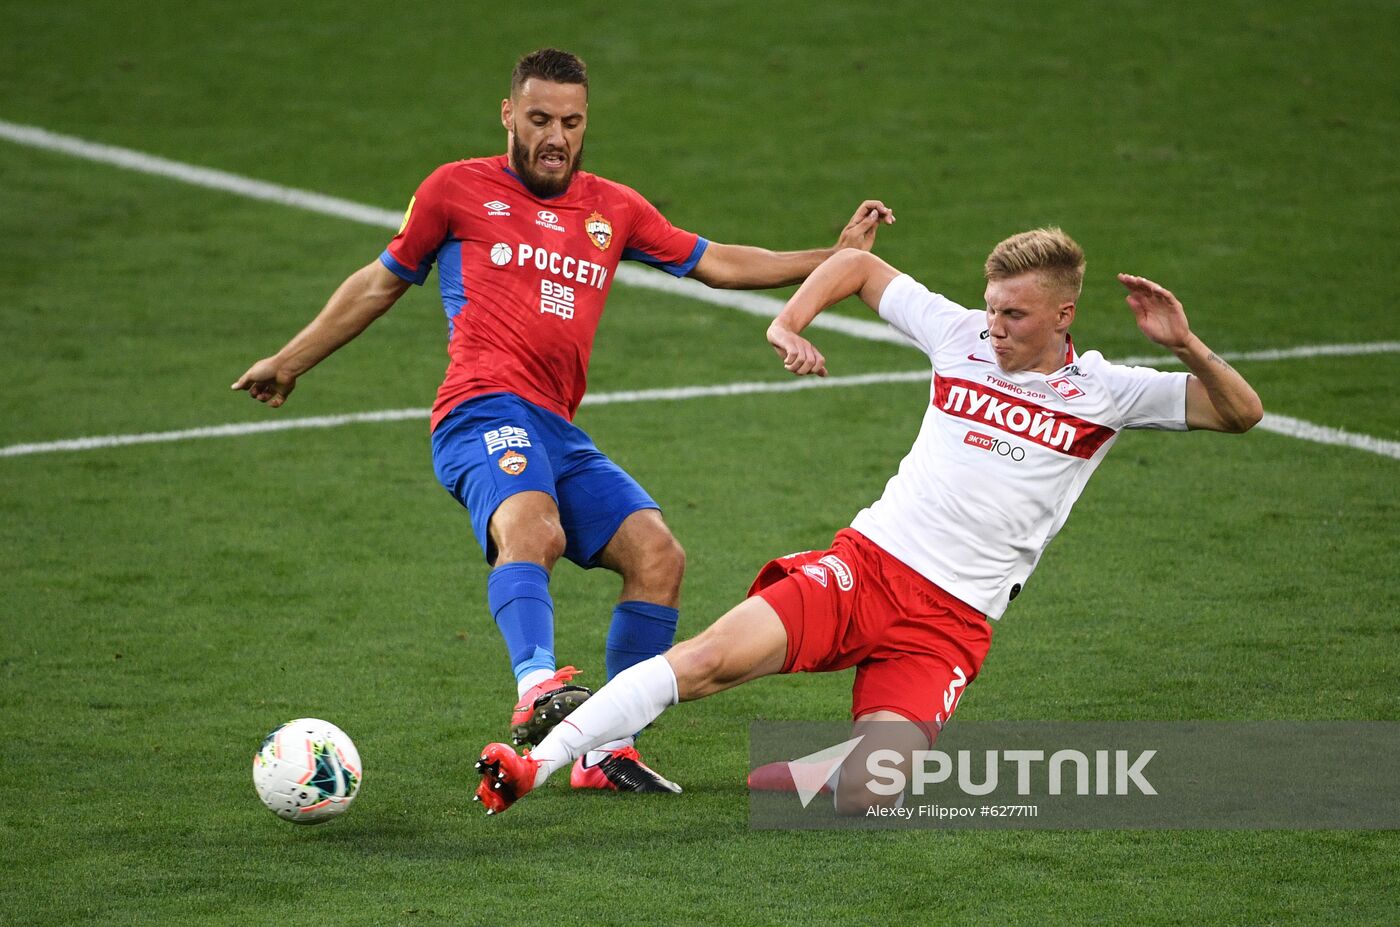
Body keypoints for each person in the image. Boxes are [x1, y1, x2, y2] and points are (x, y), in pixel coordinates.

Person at [231, 48, 895, 793]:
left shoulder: (614, 208)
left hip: (555, 424)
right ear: (508, 113)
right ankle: (538, 686)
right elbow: (376, 285)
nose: (555, 135)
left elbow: (720, 262)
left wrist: (834, 259)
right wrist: (290, 361)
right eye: (540, 118)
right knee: (535, 526)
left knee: (658, 556)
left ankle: (605, 750)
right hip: (478, 411)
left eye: (571, 122)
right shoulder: (455, 189)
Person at [470, 227, 1264, 815]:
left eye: (1016, 316)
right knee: (709, 656)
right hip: (868, 567)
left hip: (952, 622)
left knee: (871, 789)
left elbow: (1241, 414)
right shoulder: (960, 336)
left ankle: (825, 769)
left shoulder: (1109, 392)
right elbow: (853, 264)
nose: (995, 327)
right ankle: (537, 762)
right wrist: (789, 322)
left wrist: (1187, 344)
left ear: (1065, 315)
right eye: (991, 308)